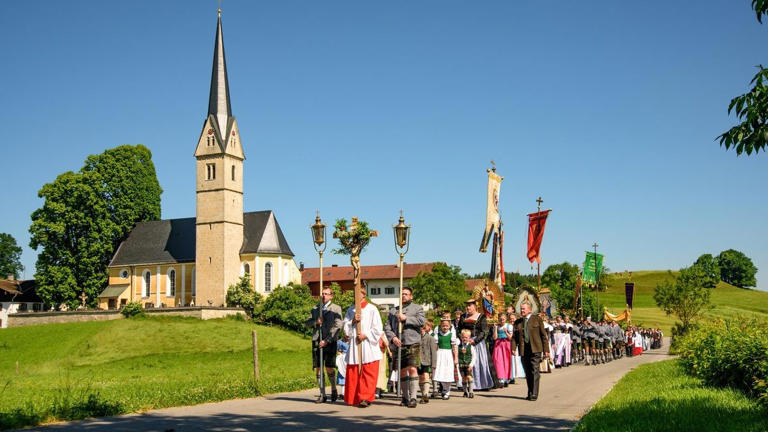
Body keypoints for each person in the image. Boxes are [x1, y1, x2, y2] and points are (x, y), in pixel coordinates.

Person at [384, 286, 425, 408]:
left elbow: (421, 321)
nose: (403, 296)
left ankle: (413, 397)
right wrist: (393, 337)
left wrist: (406, 318)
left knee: (413, 369)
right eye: (401, 294)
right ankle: (405, 397)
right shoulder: (393, 311)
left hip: (413, 342)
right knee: (401, 371)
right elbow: (387, 327)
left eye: (406, 294)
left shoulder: (418, 308)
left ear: (411, 296)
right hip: (398, 343)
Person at [342, 286, 383, 408]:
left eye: (358, 293)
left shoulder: (372, 309)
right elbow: (345, 329)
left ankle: (365, 397)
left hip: (368, 344)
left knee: (368, 372)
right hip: (355, 345)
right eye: (354, 293)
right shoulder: (351, 310)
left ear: (363, 294)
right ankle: (354, 397)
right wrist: (353, 321)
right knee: (354, 371)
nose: (355, 296)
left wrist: (366, 335)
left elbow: (377, 328)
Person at [305, 287, 343, 403]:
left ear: (331, 296)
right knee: (318, 367)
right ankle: (322, 393)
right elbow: (307, 323)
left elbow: (338, 325)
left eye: (326, 294)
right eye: (322, 294)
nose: (323, 296)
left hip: (330, 341)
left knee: (329, 367)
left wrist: (327, 340)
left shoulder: (336, 308)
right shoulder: (315, 308)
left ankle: (333, 389)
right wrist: (316, 322)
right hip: (317, 339)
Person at [513, 301, 549, 401]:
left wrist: (546, 350)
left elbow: (543, 335)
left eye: (523, 308)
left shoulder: (537, 319)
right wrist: (513, 348)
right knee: (528, 372)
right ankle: (530, 391)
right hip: (524, 350)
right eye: (521, 308)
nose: (522, 310)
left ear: (529, 309)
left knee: (535, 370)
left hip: (536, 349)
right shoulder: (518, 322)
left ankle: (534, 393)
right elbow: (514, 337)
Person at [458, 299, 495, 390]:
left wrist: (475, 341)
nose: (467, 307)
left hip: (477, 342)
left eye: (469, 305)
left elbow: (484, 331)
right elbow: (458, 330)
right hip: (465, 342)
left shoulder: (481, 317)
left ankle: (481, 384)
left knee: (479, 362)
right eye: (467, 305)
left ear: (475, 306)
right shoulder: (463, 317)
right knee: (465, 361)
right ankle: (466, 383)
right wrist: (463, 339)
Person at [433, 316, 459, 399]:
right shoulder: (438, 335)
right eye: (443, 326)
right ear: (441, 326)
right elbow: (435, 346)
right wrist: (434, 357)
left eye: (447, 326)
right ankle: (444, 388)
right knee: (440, 372)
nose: (445, 327)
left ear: (449, 326)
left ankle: (447, 390)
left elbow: (454, 347)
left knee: (448, 372)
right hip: (440, 354)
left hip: (448, 354)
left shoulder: (451, 335)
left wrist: (455, 358)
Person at [491, 313, 514, 386]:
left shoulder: (509, 326)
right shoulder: (497, 327)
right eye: (500, 319)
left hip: (506, 344)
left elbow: (510, 338)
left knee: (506, 361)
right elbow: (495, 338)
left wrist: (506, 332)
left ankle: (506, 378)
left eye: (503, 319)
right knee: (498, 360)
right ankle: (500, 377)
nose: (502, 321)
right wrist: (495, 329)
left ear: (506, 319)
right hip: (498, 344)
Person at [418, 319, 438, 404]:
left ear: (425, 329)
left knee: (426, 376)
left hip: (427, 361)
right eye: (420, 329)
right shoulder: (416, 338)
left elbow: (434, 352)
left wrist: (434, 364)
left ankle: (425, 394)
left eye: (423, 328)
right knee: (420, 378)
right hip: (418, 361)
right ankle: (423, 394)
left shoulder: (431, 338)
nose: (421, 330)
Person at [457, 329, 475, 398]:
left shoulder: (471, 347)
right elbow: (457, 355)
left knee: (469, 377)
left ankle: (471, 391)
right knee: (463, 378)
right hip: (461, 365)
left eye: (466, 337)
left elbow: (474, 357)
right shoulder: (458, 347)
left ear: (469, 338)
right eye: (463, 337)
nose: (464, 339)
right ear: (461, 337)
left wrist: (471, 364)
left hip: (468, 365)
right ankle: (465, 392)